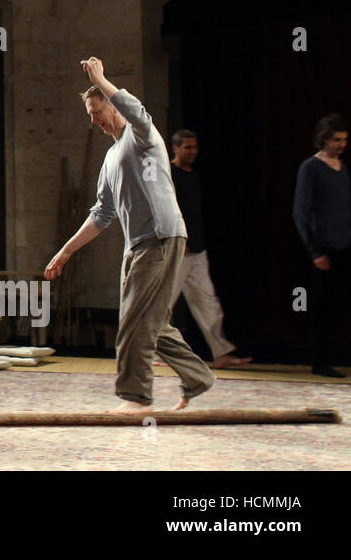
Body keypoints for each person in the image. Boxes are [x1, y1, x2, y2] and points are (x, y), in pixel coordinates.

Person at [45, 58, 214, 413]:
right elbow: (102, 214)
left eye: (96, 110)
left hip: (161, 237)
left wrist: (102, 80)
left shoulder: (142, 137)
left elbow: (136, 110)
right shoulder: (110, 158)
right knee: (150, 321)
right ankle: (197, 377)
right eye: (89, 113)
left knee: (135, 321)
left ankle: (136, 398)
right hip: (136, 245)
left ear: (111, 105)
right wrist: (65, 252)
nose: (93, 119)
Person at [167, 131, 250, 368]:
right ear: (175, 148)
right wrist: (177, 240)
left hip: (197, 251)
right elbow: (166, 210)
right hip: (178, 249)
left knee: (207, 302)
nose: (192, 151)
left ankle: (221, 353)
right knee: (162, 304)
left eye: (195, 147)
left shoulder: (192, 176)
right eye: (187, 147)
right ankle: (149, 352)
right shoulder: (169, 175)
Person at [292, 114, 350, 378]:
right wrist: (316, 251)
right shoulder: (311, 167)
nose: (341, 145)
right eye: (336, 140)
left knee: (338, 305)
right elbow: (301, 212)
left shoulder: (342, 166)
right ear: (325, 139)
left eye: (344, 140)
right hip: (323, 249)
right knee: (319, 308)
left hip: (344, 245)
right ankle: (319, 360)